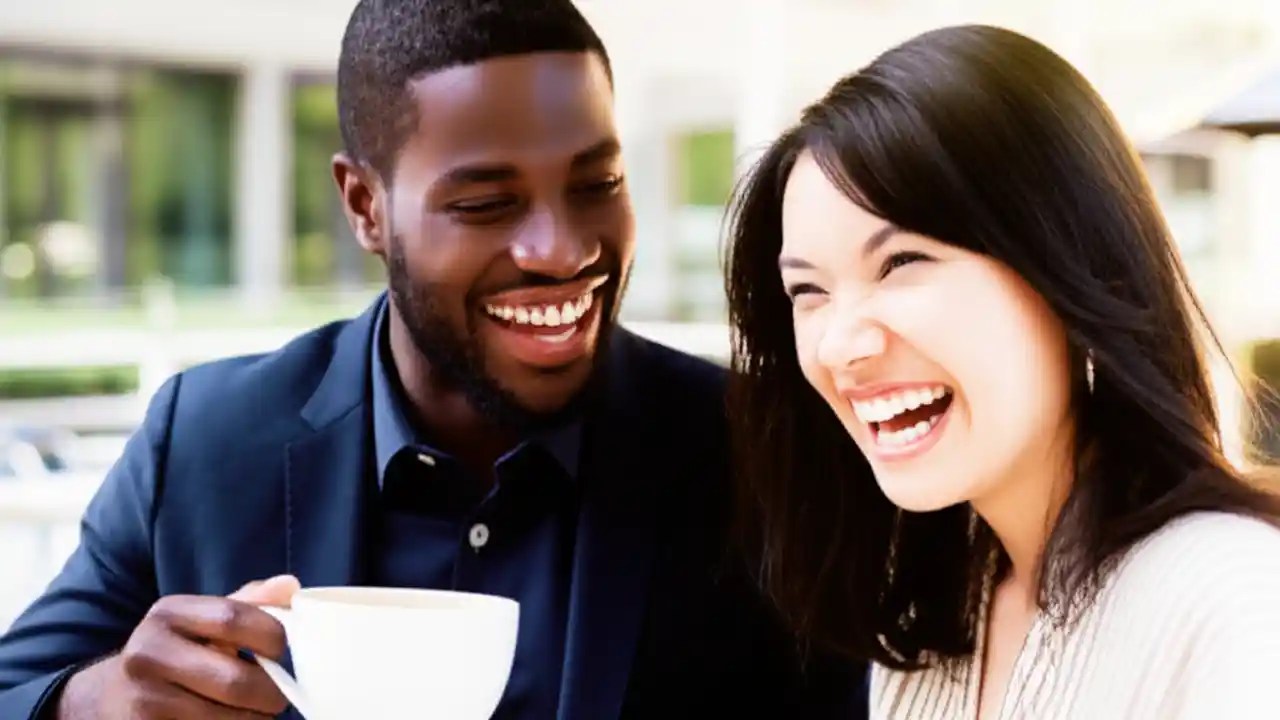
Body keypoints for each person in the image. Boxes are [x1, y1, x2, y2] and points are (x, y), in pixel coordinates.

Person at [0, 1, 867, 718]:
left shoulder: (762, 450)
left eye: (596, 186)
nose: (560, 249)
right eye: (487, 202)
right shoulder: (203, 441)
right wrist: (98, 699)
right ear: (364, 206)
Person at [725, 24, 1280, 720]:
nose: (841, 345)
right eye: (809, 292)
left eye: (901, 264)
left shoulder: (1234, 601)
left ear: (1066, 268)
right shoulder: (928, 627)